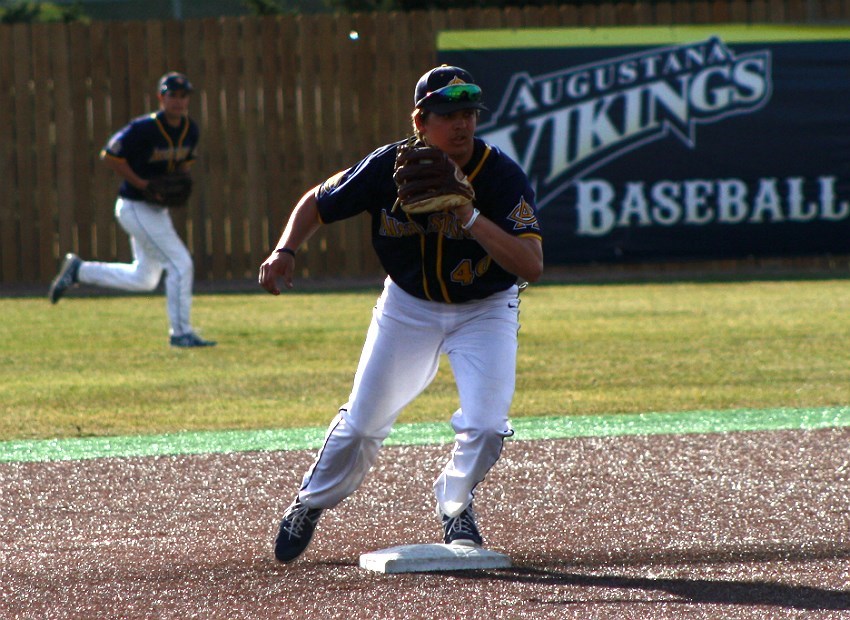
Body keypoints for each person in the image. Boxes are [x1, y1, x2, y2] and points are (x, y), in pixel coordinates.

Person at [258, 65, 543, 563]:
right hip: (408, 307)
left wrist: (469, 216)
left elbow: (531, 266)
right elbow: (316, 203)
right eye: (448, 113)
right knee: (364, 424)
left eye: (469, 113)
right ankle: (309, 502)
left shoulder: (500, 176)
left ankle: (456, 507)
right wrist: (285, 250)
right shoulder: (388, 167)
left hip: (486, 309)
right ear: (420, 120)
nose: (462, 124)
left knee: (487, 425)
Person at [48, 71, 215, 348]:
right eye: (172, 95)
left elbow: (184, 165)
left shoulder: (191, 130)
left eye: (183, 96)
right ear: (161, 97)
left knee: (145, 278)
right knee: (180, 264)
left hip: (155, 210)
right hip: (135, 206)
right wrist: (142, 183)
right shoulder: (143, 128)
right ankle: (181, 333)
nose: (178, 101)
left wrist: (180, 181)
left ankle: (79, 271)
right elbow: (110, 155)